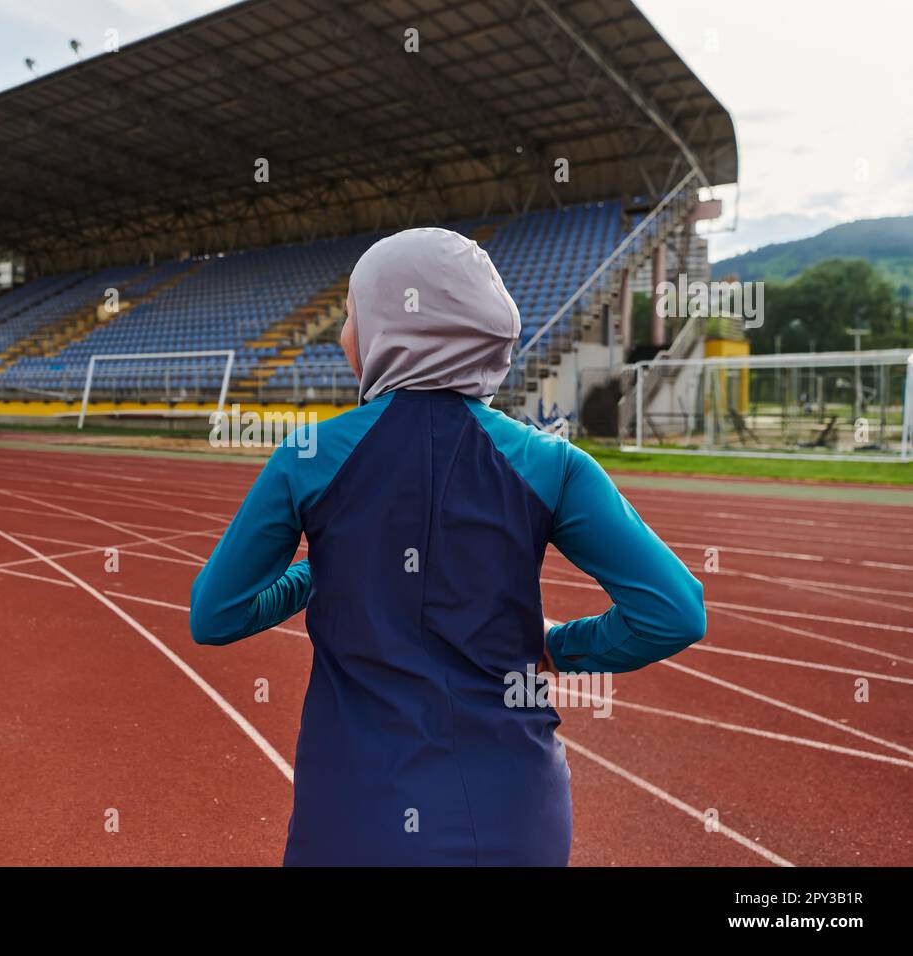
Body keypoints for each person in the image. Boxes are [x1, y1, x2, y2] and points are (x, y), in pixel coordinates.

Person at [189, 227, 705, 866]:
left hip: (354, 813)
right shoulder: (554, 464)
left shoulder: (306, 458)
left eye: (350, 316)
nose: (341, 336)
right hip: (514, 814)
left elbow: (216, 616)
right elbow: (673, 613)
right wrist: (559, 646)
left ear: (388, 326)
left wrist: (315, 573)